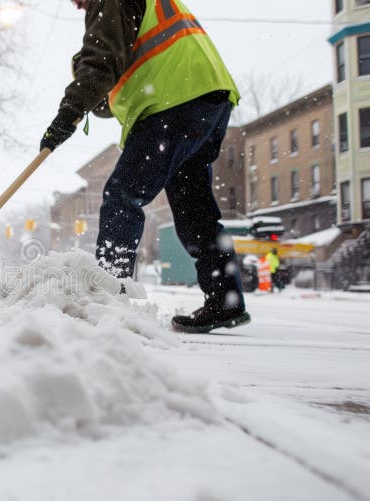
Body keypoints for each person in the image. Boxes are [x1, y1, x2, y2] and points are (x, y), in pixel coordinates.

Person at [40, 0, 250, 333]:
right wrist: (92, 95)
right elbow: (112, 79)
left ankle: (110, 298)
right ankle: (225, 301)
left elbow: (101, 62)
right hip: (209, 96)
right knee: (193, 205)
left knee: (123, 195)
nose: (76, 4)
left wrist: (67, 115)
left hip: (173, 100)